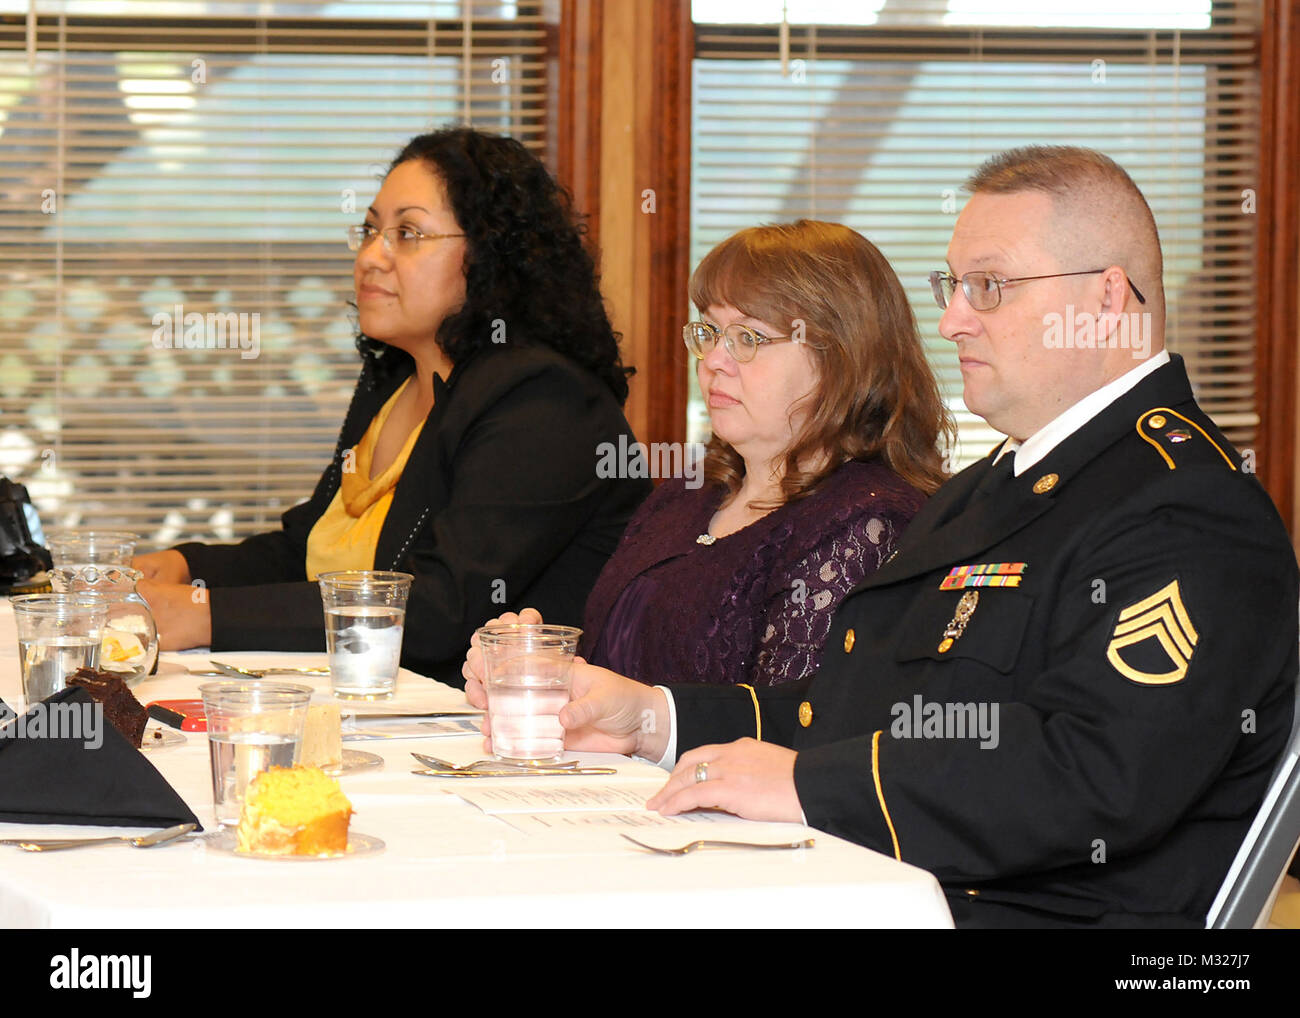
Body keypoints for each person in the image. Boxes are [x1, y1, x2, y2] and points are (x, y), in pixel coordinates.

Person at [465, 146, 1300, 928]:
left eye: (991, 287)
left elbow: (1093, 778)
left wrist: (808, 787)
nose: (954, 323)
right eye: (952, 287)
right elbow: (857, 707)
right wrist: (654, 718)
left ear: (1106, 300)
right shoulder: (993, 490)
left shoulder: (1185, 507)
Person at [136, 128, 650, 683]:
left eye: (408, 233)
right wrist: (183, 569)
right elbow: (308, 553)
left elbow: (437, 611)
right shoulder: (395, 382)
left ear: (489, 254)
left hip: (514, 737)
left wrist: (201, 615)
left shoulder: (544, 401)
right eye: (370, 230)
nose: (371, 257)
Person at [580, 221, 951, 687]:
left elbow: (790, 728)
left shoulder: (870, 522)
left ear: (841, 358)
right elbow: (618, 662)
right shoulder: (690, 490)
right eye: (710, 333)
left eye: (748, 338)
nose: (714, 359)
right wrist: (546, 670)